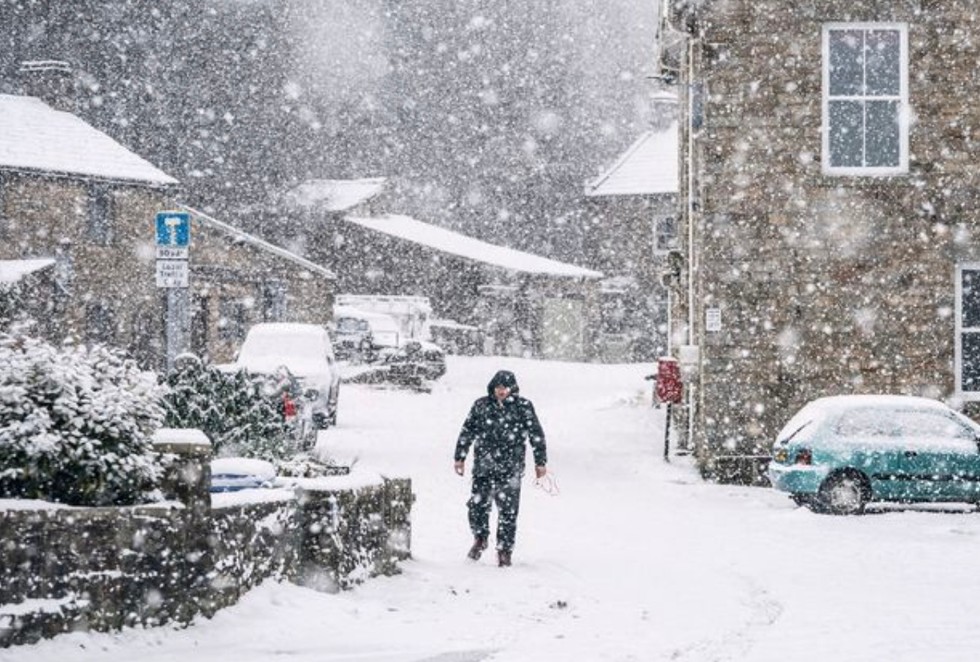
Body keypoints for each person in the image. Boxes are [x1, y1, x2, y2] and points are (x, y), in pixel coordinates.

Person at [453, 369, 547, 567]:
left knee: (508, 511)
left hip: (511, 467)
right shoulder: (481, 405)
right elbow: (467, 431)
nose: (501, 391)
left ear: (512, 388)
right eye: (498, 387)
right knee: (477, 506)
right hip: (484, 466)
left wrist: (540, 462)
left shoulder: (523, 407)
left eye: (505, 388)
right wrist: (460, 457)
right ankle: (480, 538)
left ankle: (504, 550)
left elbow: (536, 434)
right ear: (493, 388)